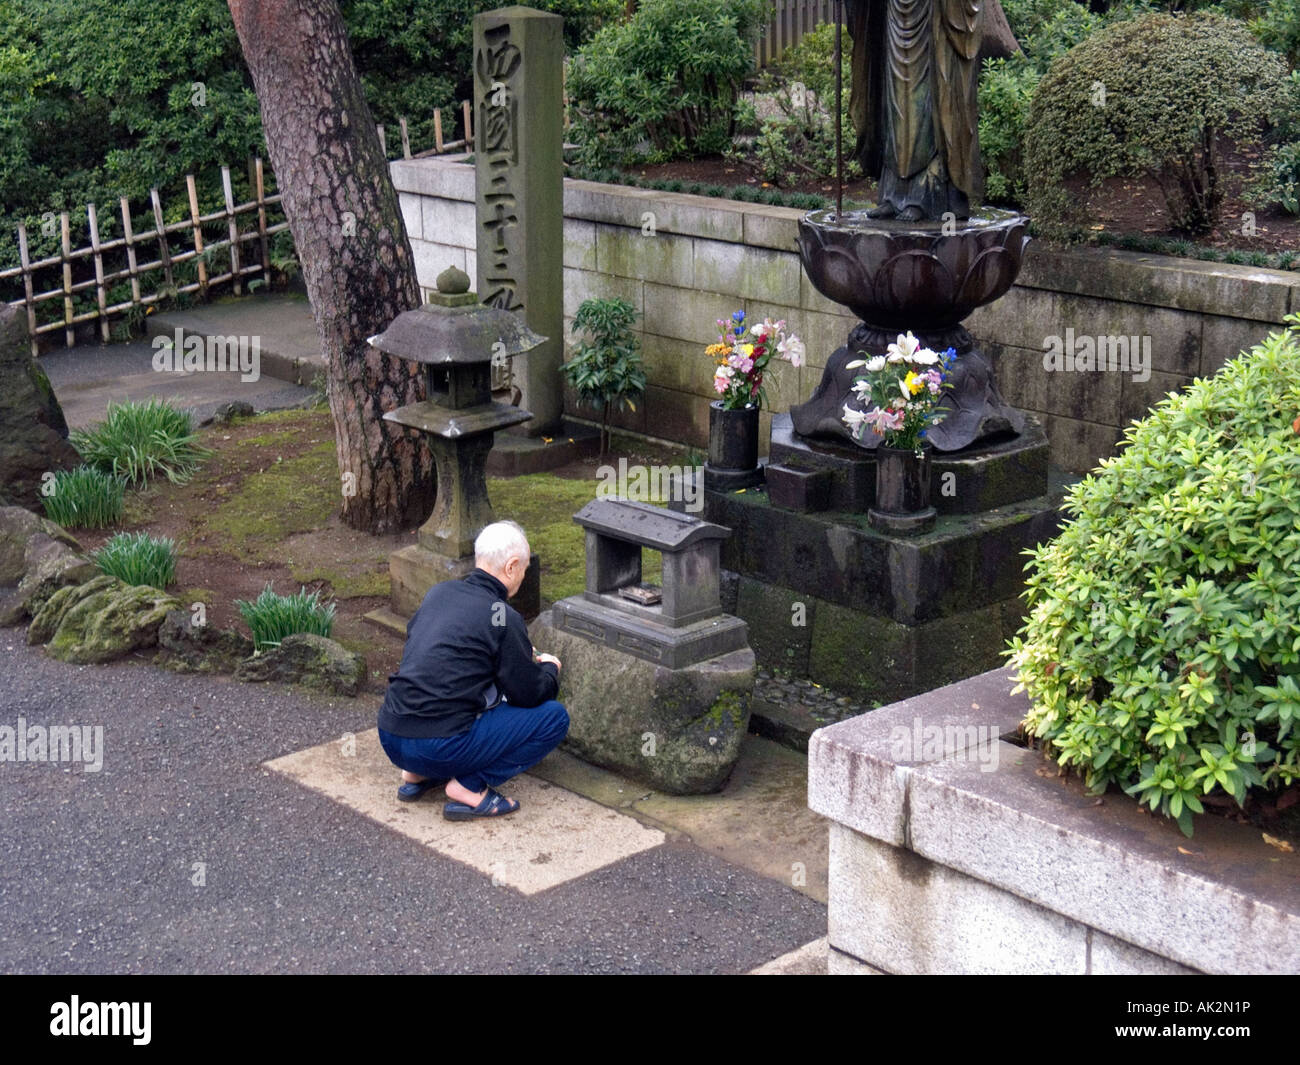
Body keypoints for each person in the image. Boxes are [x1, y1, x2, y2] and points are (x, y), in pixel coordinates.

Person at [376, 520, 568, 820]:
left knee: (443, 704)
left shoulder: (440, 593)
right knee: (554, 718)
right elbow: (528, 695)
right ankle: (468, 787)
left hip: (391, 734)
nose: (524, 575)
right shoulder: (502, 615)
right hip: (438, 746)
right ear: (511, 567)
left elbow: (442, 660)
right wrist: (550, 671)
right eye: (525, 568)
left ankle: (415, 775)